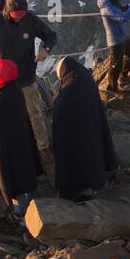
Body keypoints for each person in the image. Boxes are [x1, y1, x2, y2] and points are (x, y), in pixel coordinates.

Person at [0, 0, 57, 162]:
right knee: (3, 116)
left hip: (26, 76)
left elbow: (50, 35)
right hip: (2, 80)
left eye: (21, 15)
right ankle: (8, 150)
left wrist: (45, 49)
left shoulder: (30, 20)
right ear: (7, 11)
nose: (18, 18)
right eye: (15, 15)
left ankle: (42, 147)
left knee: (34, 113)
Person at [0, 58, 43, 216]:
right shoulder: (16, 90)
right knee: (24, 170)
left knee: (11, 175)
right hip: (21, 142)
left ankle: (21, 211)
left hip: (5, 149)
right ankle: (33, 201)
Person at [51, 56, 118, 202]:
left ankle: (76, 190)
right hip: (91, 128)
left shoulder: (68, 91)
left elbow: (59, 111)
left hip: (74, 136)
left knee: (78, 159)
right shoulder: (85, 79)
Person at [97, 0, 130, 99]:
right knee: (116, 65)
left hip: (122, 36)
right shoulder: (107, 8)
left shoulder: (112, 2)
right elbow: (122, 17)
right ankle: (111, 88)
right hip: (115, 40)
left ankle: (123, 76)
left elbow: (121, 9)